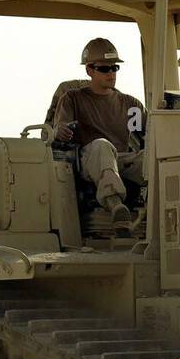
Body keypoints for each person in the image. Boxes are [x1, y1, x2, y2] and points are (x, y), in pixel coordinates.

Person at [45, 38, 147, 229]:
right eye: (104, 69)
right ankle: (115, 205)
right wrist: (60, 131)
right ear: (89, 70)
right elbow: (60, 127)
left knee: (150, 158)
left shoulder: (131, 104)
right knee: (102, 145)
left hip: (122, 160)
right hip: (90, 159)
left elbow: (151, 136)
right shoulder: (73, 98)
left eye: (114, 68)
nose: (111, 74)